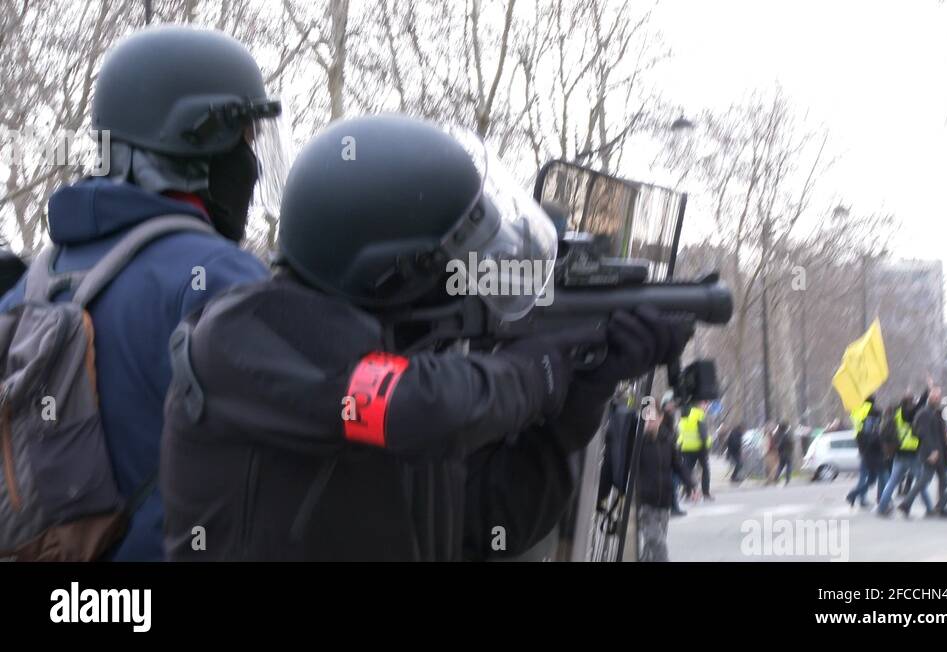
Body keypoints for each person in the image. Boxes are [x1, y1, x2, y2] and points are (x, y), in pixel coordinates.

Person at [160, 115, 695, 561]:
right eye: (462, 263)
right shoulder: (245, 334)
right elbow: (413, 404)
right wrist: (541, 370)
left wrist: (577, 405)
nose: (475, 283)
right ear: (393, 271)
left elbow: (486, 524)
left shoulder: (397, 360)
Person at [0, 26, 277, 560]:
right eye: (244, 140)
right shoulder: (220, 276)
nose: (252, 163)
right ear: (197, 142)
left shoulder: (33, 283)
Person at [637, 398, 695, 561]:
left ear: (661, 417)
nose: (649, 420)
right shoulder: (638, 443)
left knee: (651, 548)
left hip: (664, 501)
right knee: (658, 544)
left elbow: (678, 465)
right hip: (645, 503)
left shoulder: (668, 440)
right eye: (646, 417)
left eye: (653, 416)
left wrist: (691, 485)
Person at [877, 390, 930, 516]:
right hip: (912, 453)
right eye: (913, 401)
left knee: (892, 482)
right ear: (911, 402)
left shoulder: (897, 412)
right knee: (921, 482)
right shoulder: (911, 413)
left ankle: (882, 508)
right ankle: (929, 507)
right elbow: (920, 405)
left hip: (899, 452)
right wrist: (926, 391)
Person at [898, 387, 947, 518]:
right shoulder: (924, 413)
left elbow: (939, 433)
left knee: (943, 479)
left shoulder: (936, 412)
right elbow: (923, 434)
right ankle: (906, 504)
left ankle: (941, 507)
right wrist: (932, 451)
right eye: (935, 397)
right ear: (930, 398)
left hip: (940, 452)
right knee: (925, 479)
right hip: (931, 452)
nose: (937, 399)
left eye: (939, 397)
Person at [846, 395, 888, 507]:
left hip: (862, 448)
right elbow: (874, 433)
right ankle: (882, 500)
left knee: (865, 477)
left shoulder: (856, 411)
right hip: (874, 451)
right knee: (881, 476)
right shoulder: (873, 413)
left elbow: (861, 431)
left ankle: (856, 496)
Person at [678, 400, 713, 500]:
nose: (706, 406)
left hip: (686, 448)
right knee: (705, 470)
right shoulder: (699, 414)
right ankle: (706, 493)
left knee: (687, 471)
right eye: (705, 404)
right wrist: (707, 445)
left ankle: (687, 493)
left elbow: (681, 431)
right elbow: (703, 433)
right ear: (699, 405)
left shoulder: (685, 414)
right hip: (699, 447)